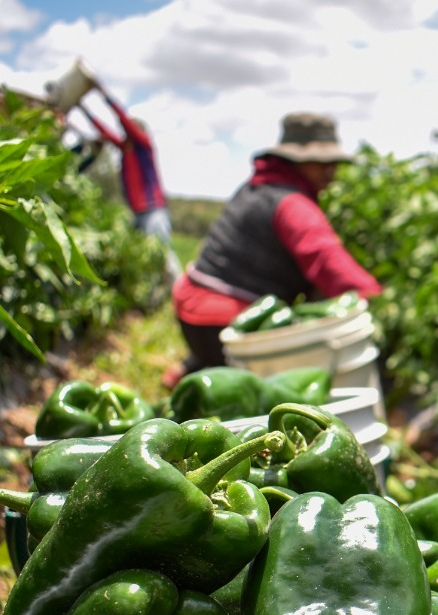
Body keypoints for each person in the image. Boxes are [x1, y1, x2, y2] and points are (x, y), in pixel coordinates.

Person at [163, 112, 382, 389]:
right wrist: (377, 299)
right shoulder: (294, 205)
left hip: (191, 307)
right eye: (319, 163)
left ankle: (194, 365)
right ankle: (212, 368)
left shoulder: (259, 186)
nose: (331, 172)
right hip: (223, 323)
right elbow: (329, 265)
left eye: (333, 163)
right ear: (295, 160)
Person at [72, 82, 182, 293]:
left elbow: (122, 120)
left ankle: (178, 292)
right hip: (138, 212)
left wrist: (104, 95)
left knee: (163, 253)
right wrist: (83, 108)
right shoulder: (126, 149)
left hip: (152, 210)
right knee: (147, 256)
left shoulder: (144, 145)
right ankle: (158, 295)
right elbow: (104, 130)